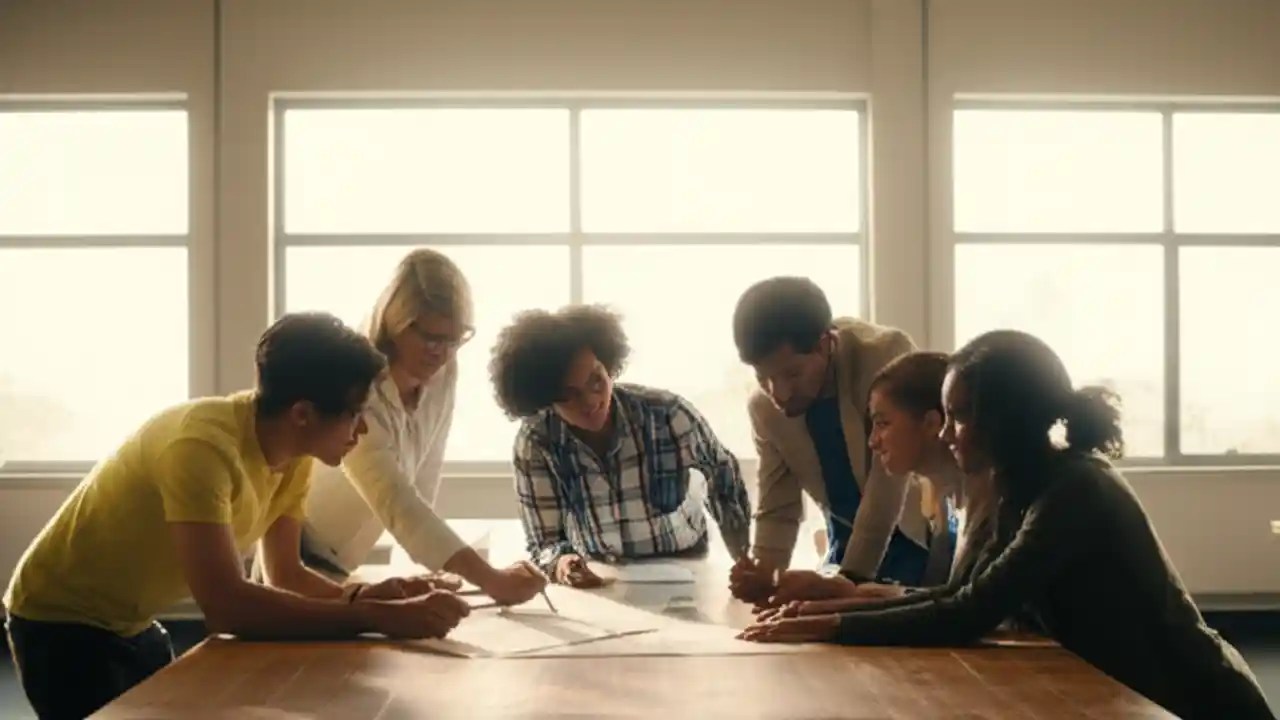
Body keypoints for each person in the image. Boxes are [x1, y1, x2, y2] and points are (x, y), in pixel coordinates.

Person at [740, 330, 1274, 720]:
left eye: (959, 416)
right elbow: (962, 593)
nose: (946, 433)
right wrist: (824, 608)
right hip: (1132, 695)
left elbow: (970, 610)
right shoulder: (1026, 485)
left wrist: (832, 624)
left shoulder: (1075, 490)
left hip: (1193, 702)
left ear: (1005, 419)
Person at [4, 313, 471, 720]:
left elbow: (286, 574)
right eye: (353, 413)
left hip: (132, 622)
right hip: (59, 623)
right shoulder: (201, 447)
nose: (362, 429)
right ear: (303, 413)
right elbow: (227, 606)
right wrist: (377, 617)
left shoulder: (296, 452)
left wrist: (364, 597)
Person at [290, 249, 546, 605]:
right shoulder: (357, 384)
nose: (441, 352)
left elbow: (424, 474)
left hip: (343, 564)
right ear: (397, 323)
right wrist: (490, 579)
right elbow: (396, 499)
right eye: (431, 337)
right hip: (296, 557)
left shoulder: (443, 372)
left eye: (455, 340)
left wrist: (442, 567)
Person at [491, 305, 752, 587]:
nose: (590, 401)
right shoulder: (536, 441)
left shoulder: (668, 414)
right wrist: (564, 565)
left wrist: (744, 559)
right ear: (544, 399)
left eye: (596, 381)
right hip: (599, 574)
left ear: (610, 366)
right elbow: (545, 542)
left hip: (686, 565)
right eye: (569, 395)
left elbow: (725, 483)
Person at [727, 277, 935, 605]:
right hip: (845, 537)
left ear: (826, 344)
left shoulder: (884, 358)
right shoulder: (764, 406)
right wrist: (764, 577)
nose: (778, 393)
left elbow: (888, 490)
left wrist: (847, 585)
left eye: (792, 374)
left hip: (915, 535)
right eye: (762, 376)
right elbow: (777, 506)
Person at [755, 351, 995, 610]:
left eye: (883, 423)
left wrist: (835, 617)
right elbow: (947, 597)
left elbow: (968, 611)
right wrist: (847, 591)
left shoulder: (986, 498)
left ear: (930, 423)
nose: (873, 441)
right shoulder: (947, 500)